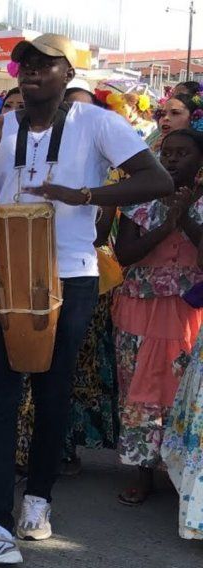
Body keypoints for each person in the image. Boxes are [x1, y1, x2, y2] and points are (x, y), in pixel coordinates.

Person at [0, 34, 174, 565]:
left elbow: (157, 178)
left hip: (68, 274)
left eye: (45, 64)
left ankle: (38, 497)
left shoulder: (97, 123)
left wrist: (88, 196)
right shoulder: (0, 127)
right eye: (25, 63)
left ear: (67, 74)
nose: (30, 72)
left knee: (52, 392)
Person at [111, 128, 203, 505]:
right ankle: (142, 471)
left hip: (186, 308)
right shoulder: (140, 199)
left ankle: (179, 469)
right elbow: (126, 254)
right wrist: (166, 222)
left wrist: (185, 219)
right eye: (168, 153)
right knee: (138, 389)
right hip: (139, 306)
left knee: (181, 388)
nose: (174, 159)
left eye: (183, 153)